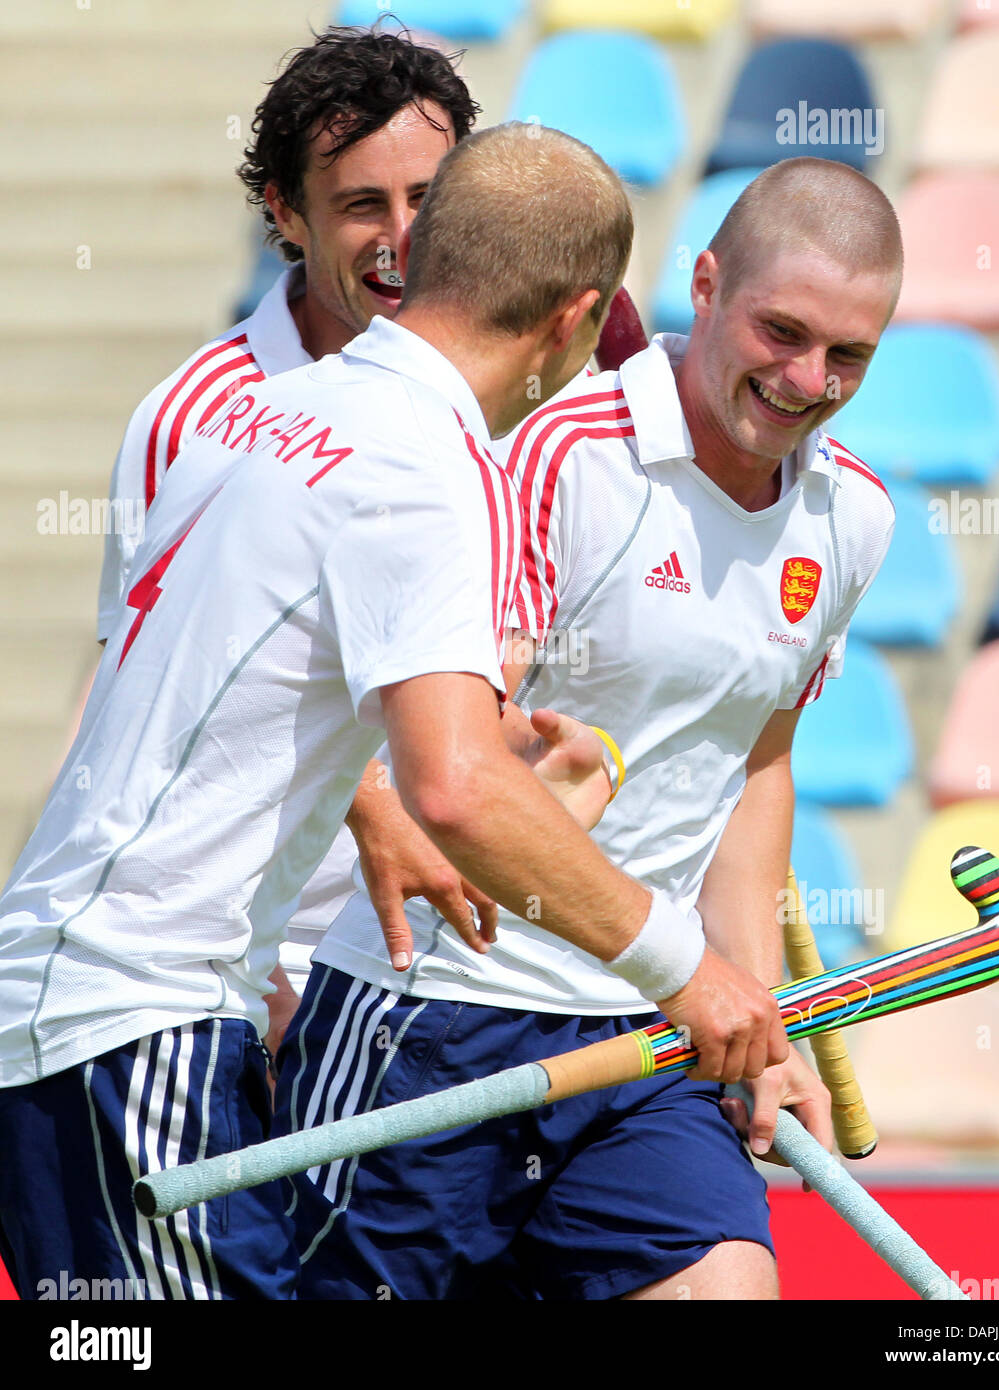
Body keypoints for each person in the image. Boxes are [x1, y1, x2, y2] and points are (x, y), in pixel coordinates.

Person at [0, 123, 786, 1303]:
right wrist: (689, 970)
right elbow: (455, 791)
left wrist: (490, 751)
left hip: (116, 1009)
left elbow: (252, 697)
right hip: (131, 1022)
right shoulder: (427, 459)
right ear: (575, 318)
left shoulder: (260, 408)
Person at [273, 156, 901, 1301]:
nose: (808, 380)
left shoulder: (851, 515)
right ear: (703, 285)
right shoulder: (555, 450)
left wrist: (748, 1009)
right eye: (782, 332)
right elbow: (459, 746)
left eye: (847, 354)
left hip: (643, 1033)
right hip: (442, 1013)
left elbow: (755, 767)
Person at [94, 28, 481, 1002]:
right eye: (361, 205)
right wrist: (377, 809)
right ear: (286, 212)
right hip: (272, 962)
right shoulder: (194, 417)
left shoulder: (508, 404)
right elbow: (163, 684)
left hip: (476, 975)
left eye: (427, 199)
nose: (402, 236)